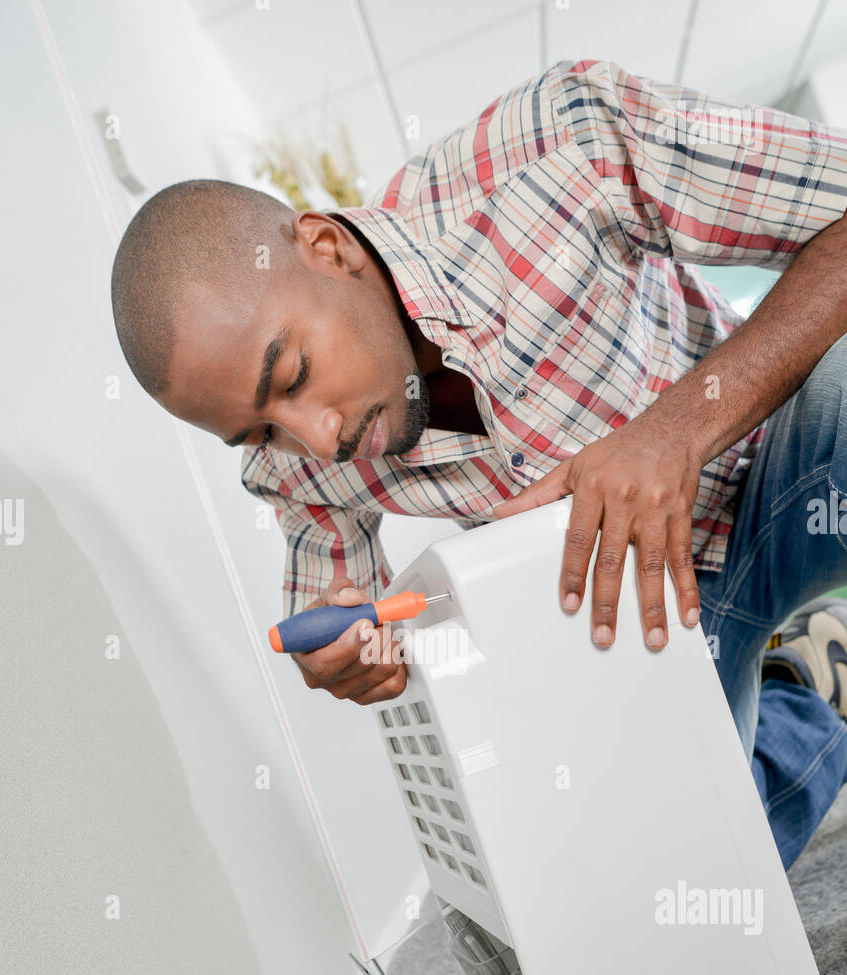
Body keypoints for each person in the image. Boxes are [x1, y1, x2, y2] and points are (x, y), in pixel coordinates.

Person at [110, 58, 847, 869]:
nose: (316, 441)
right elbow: (334, 607)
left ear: (325, 247)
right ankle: (802, 693)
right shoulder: (294, 461)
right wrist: (356, 656)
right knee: (679, 880)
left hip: (783, 453)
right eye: (257, 433)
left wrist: (675, 429)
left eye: (293, 378)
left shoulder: (556, 146)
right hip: (653, 607)